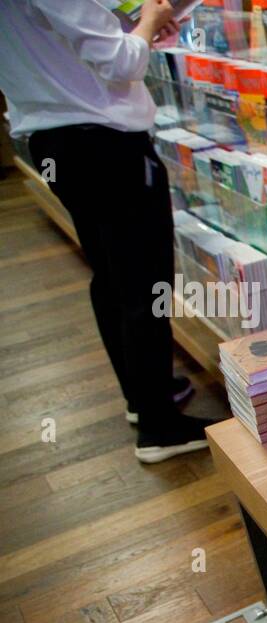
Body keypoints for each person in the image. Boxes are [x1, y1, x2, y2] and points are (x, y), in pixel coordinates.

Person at [0, 0, 217, 463]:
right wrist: (151, 21)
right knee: (145, 283)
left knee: (113, 276)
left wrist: (135, 25)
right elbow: (121, 62)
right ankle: (160, 429)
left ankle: (145, 399)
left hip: (54, 141)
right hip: (104, 143)